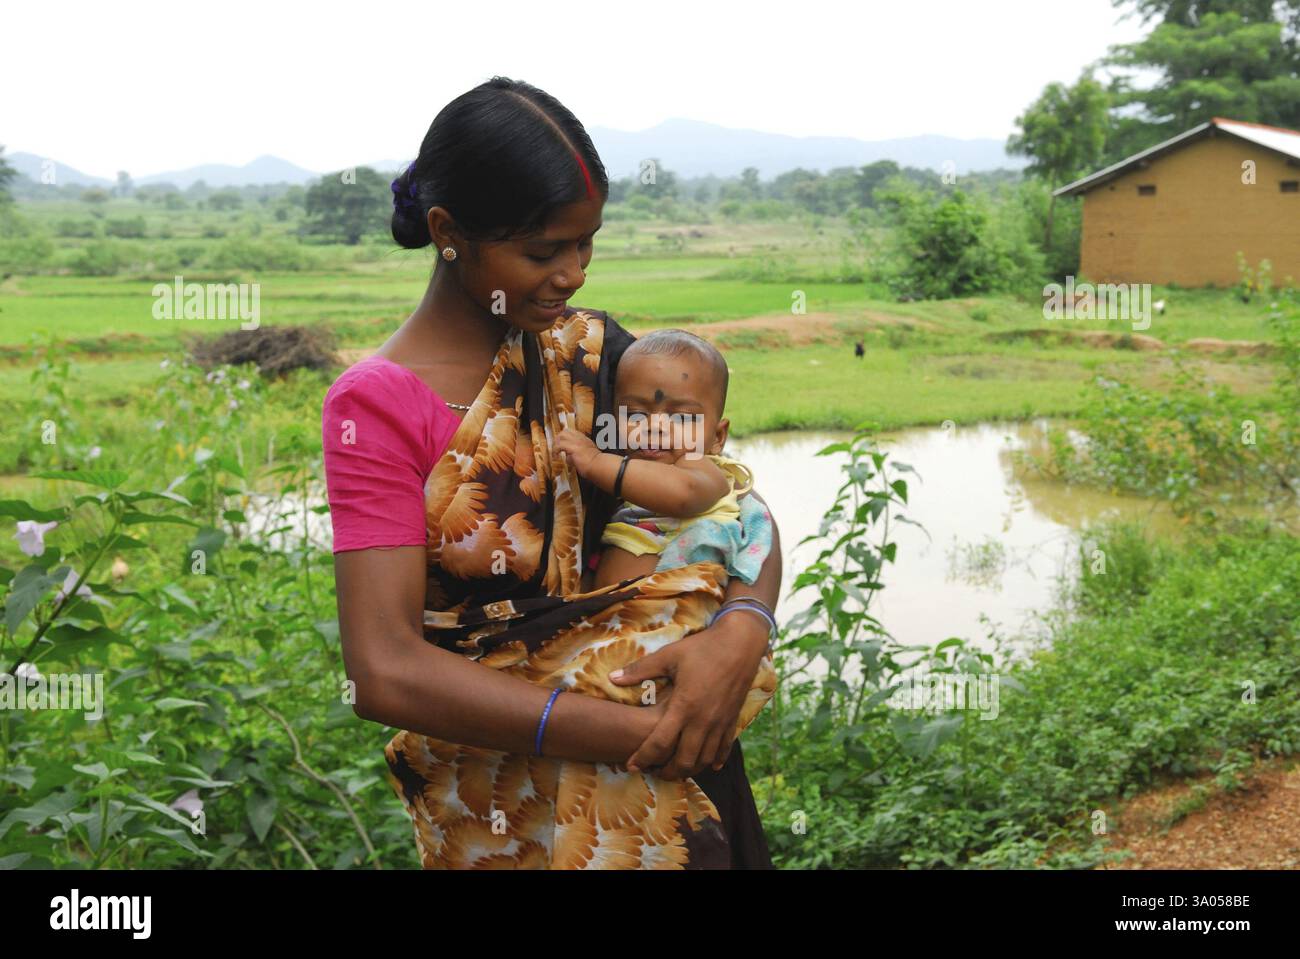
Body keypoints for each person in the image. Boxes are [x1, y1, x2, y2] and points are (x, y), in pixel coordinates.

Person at [322, 77, 782, 869]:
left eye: (586, 242)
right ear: (447, 231)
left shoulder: (597, 355)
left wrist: (743, 628)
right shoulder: (377, 408)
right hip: (509, 810)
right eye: (543, 251)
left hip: (675, 780)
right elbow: (385, 667)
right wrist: (635, 733)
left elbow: (731, 504)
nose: (574, 273)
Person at [556, 328, 774, 595]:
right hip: (613, 625)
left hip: (673, 623)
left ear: (717, 437)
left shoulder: (704, 473)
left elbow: (683, 494)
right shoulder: (624, 495)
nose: (655, 426)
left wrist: (594, 461)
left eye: (681, 418)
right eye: (635, 414)